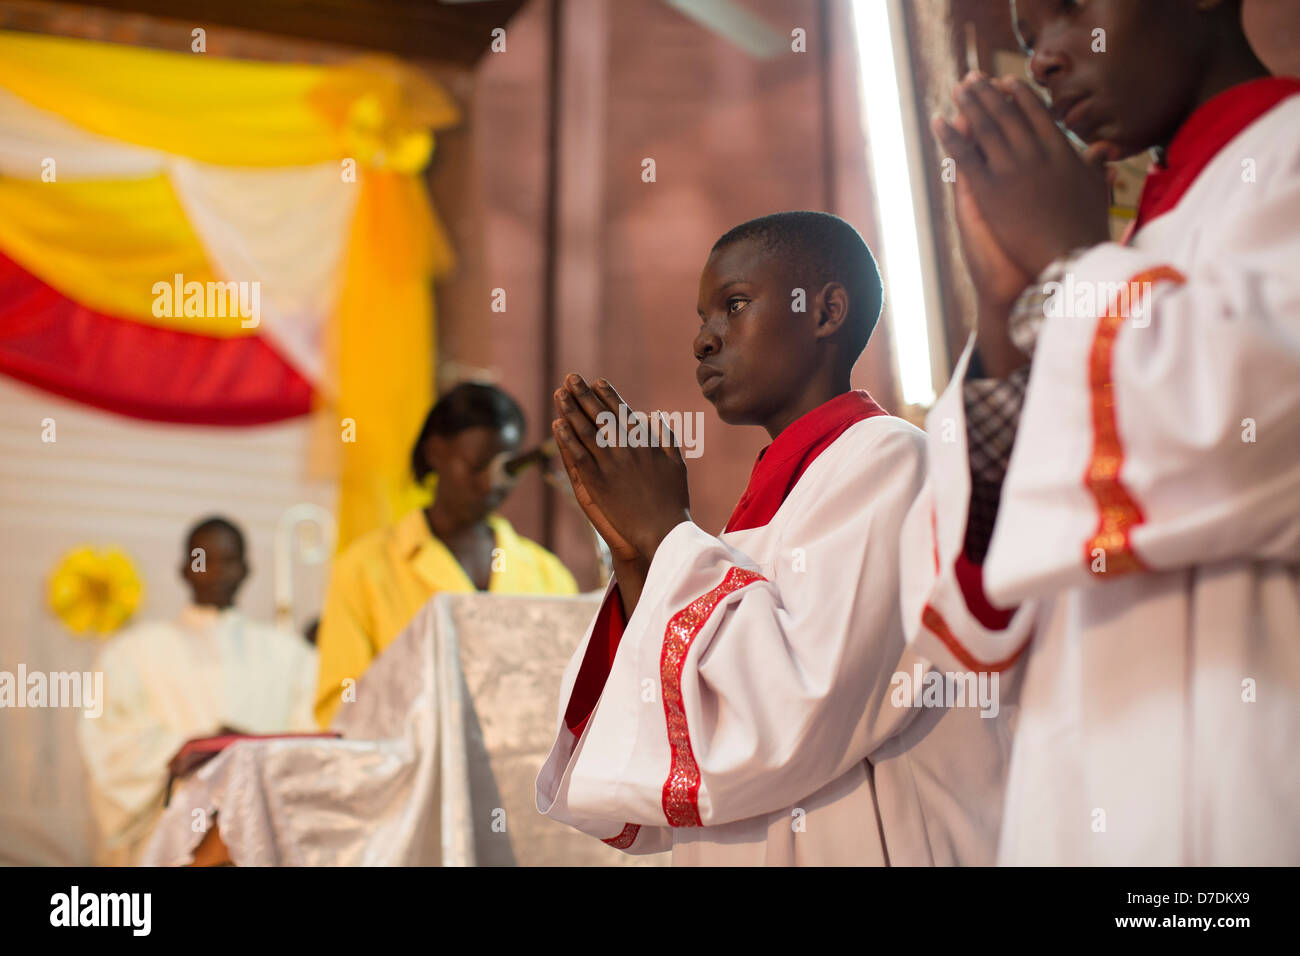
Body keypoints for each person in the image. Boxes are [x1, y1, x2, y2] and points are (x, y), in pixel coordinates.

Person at [906, 0, 1300, 863]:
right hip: (1087, 777)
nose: (1045, 59)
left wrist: (1066, 265)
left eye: (1067, 11)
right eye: (1025, 40)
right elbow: (986, 603)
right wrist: (1007, 309)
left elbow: (1254, 430)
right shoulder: (1129, 243)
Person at [536, 211, 1010, 865]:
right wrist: (636, 550)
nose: (704, 341)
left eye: (733, 305)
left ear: (826, 312)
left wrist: (666, 532)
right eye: (702, 319)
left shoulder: (890, 460)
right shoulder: (759, 513)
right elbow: (680, 721)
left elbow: (795, 709)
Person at [314, 383, 578, 726]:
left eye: (506, 468)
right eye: (476, 466)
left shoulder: (549, 575)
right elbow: (340, 706)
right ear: (436, 452)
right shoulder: (364, 567)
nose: (491, 484)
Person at [79, 516, 317, 865]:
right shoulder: (131, 652)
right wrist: (195, 748)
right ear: (184, 569)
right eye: (203, 559)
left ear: (247, 570)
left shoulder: (292, 655)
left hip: (262, 832)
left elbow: (314, 742)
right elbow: (109, 743)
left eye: (229, 560)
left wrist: (251, 753)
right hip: (169, 829)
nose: (217, 570)